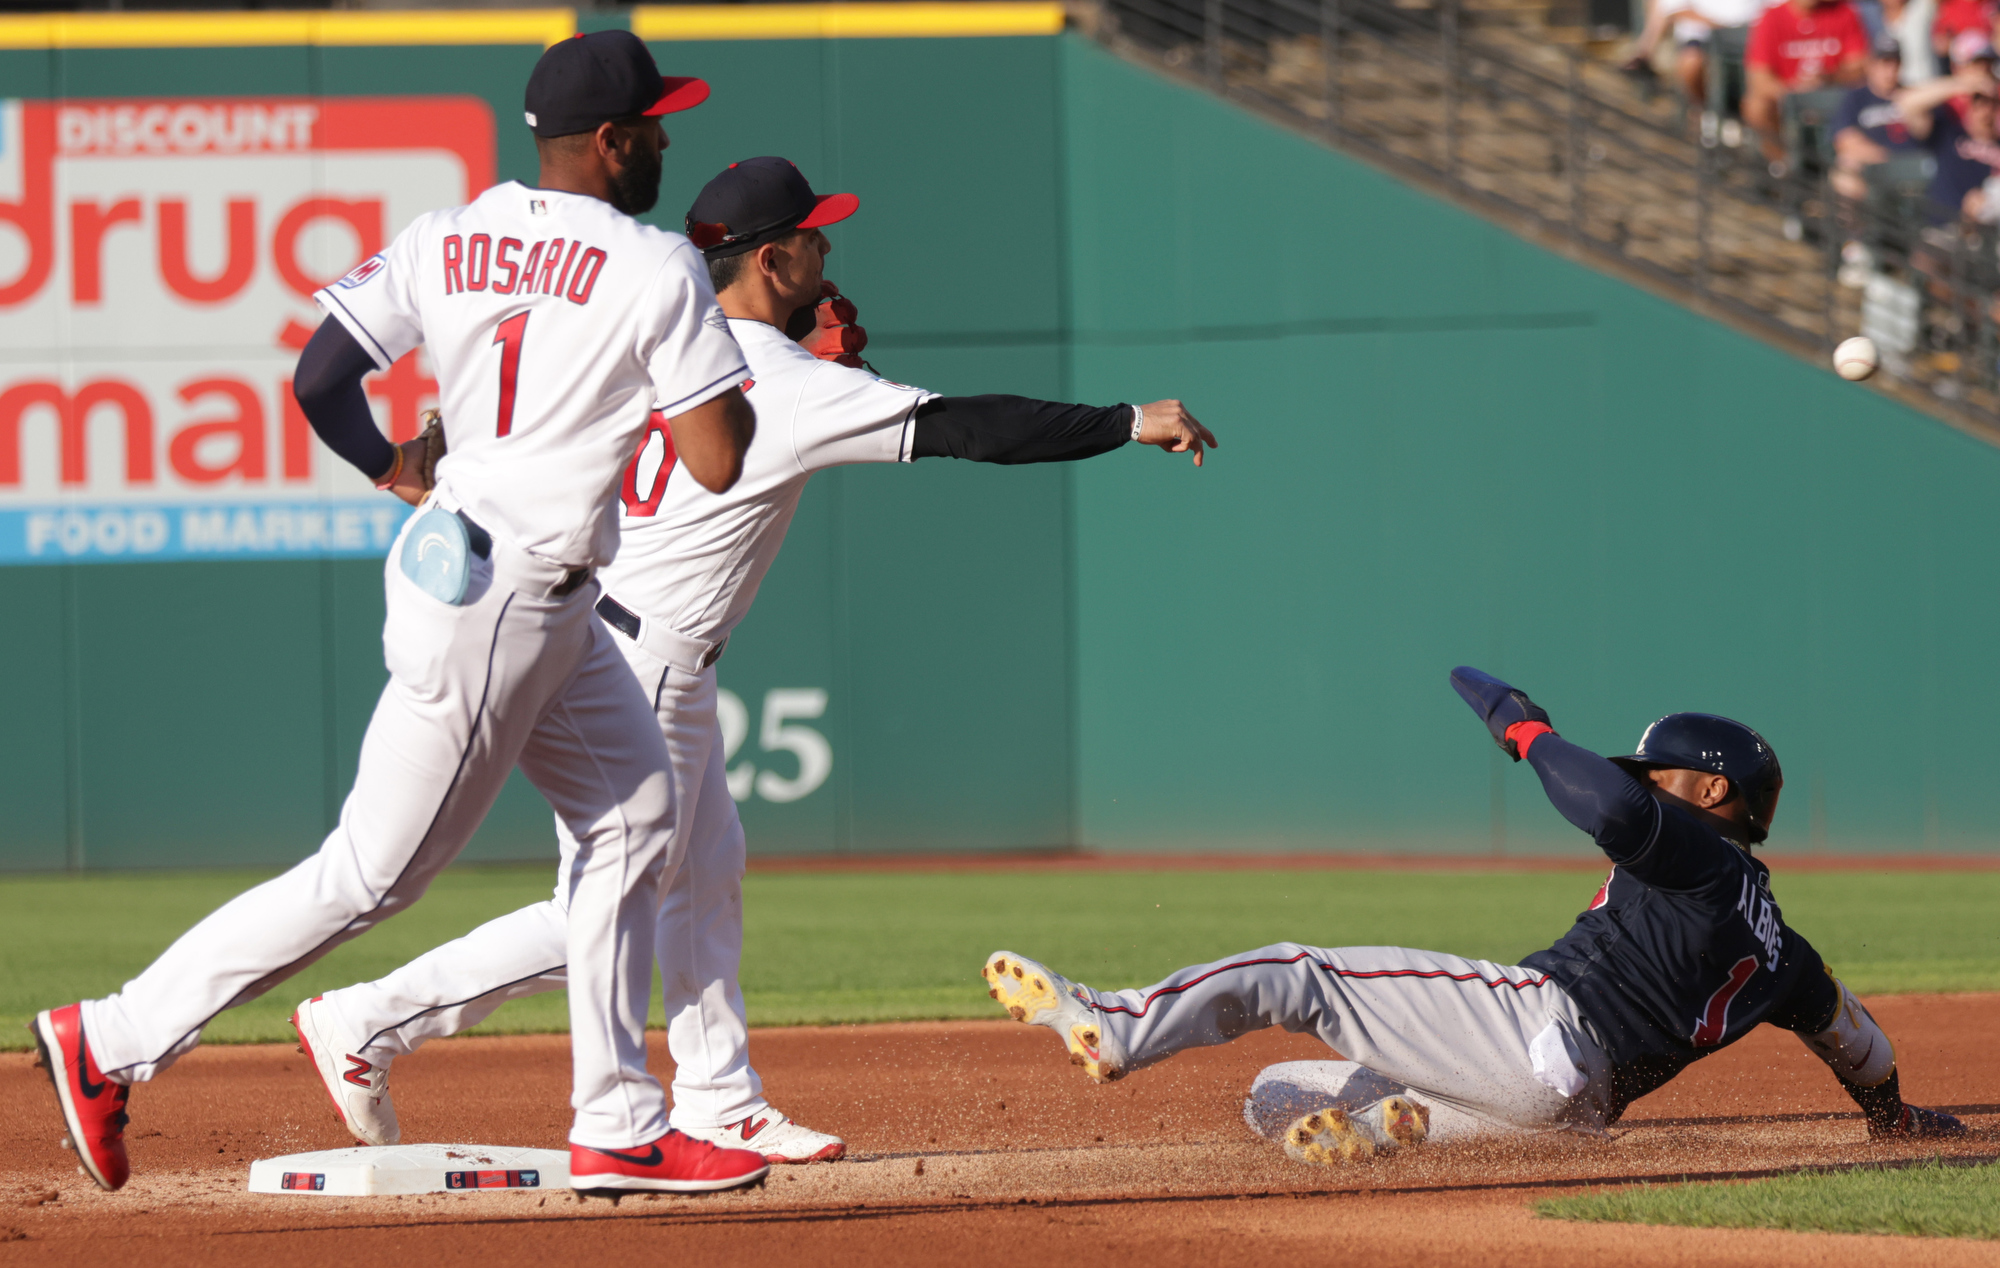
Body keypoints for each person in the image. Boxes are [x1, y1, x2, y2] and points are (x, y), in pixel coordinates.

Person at [286, 155, 1218, 1166]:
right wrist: (1128, 421)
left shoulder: (651, 341)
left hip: (628, 644)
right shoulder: (778, 380)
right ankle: (368, 1021)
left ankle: (719, 1097)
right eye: (813, 237)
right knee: (606, 909)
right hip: (629, 656)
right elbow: (970, 430)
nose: (828, 251)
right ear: (772, 259)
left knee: (703, 874)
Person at [27, 31, 771, 1199]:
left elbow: (321, 375)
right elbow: (718, 459)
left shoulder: (449, 232)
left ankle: (619, 1119)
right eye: (658, 123)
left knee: (635, 817)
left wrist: (393, 466)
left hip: (499, 572)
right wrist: (730, 353)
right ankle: (112, 1035)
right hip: (506, 599)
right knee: (372, 872)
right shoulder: (656, 264)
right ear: (614, 140)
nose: (671, 139)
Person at [982, 668, 1966, 1164]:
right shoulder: (1781, 948)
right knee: (1271, 1092)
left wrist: (1523, 726)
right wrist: (1890, 1115)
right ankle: (1403, 1126)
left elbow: (1613, 808)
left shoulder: (1699, 849)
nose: (1641, 782)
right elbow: (1854, 1037)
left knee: (1300, 974)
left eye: (1659, 770)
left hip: (1545, 1023)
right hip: (1569, 1113)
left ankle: (1115, 1022)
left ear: (1713, 793)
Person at [1745, 0, 1872, 163]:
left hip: (1833, 96)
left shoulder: (1843, 11)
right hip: (1787, 98)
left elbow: (1859, 67)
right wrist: (1795, 93)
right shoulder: (1771, 17)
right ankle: (1782, 166)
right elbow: (1759, 78)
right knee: (1756, 107)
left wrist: (1828, 78)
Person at [1902, 65, 2000, 218]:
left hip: (1989, 230)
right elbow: (1907, 104)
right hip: (1945, 230)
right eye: (1979, 102)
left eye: (1992, 103)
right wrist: (1961, 83)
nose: (1986, 111)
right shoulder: (1950, 131)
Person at [1832, 38, 1925, 197]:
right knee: (1845, 166)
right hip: (1873, 168)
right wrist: (1887, 160)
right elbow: (1844, 141)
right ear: (1871, 65)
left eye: (1895, 64)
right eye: (1884, 63)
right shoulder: (1857, 97)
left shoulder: (1912, 95)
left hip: (1914, 168)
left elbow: (1927, 131)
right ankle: (1863, 220)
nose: (1890, 70)